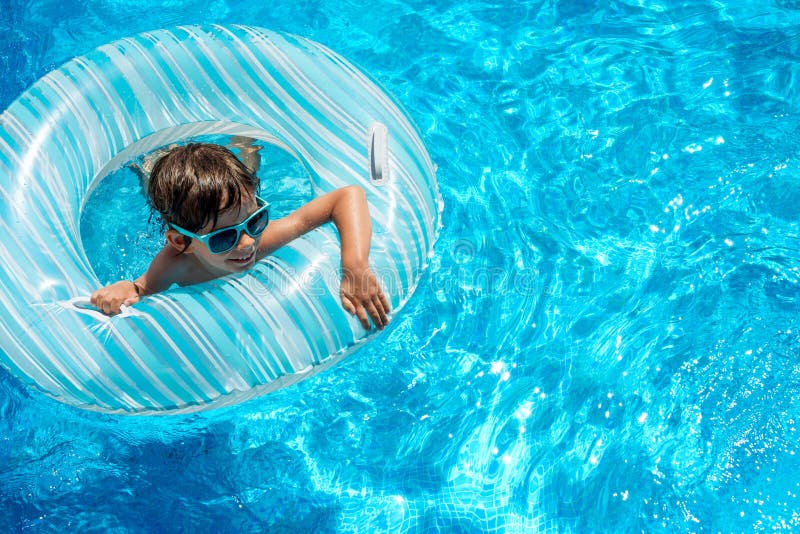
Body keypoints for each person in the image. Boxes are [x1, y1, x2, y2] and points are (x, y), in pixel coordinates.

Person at [90, 142, 390, 330]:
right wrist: (124, 289)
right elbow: (140, 288)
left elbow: (348, 196)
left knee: (246, 176)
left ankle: (245, 147)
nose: (247, 243)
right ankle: (148, 164)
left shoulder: (261, 238)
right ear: (181, 243)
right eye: (224, 238)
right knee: (154, 187)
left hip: (230, 200)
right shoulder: (176, 264)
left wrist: (355, 265)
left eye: (256, 220)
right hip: (184, 210)